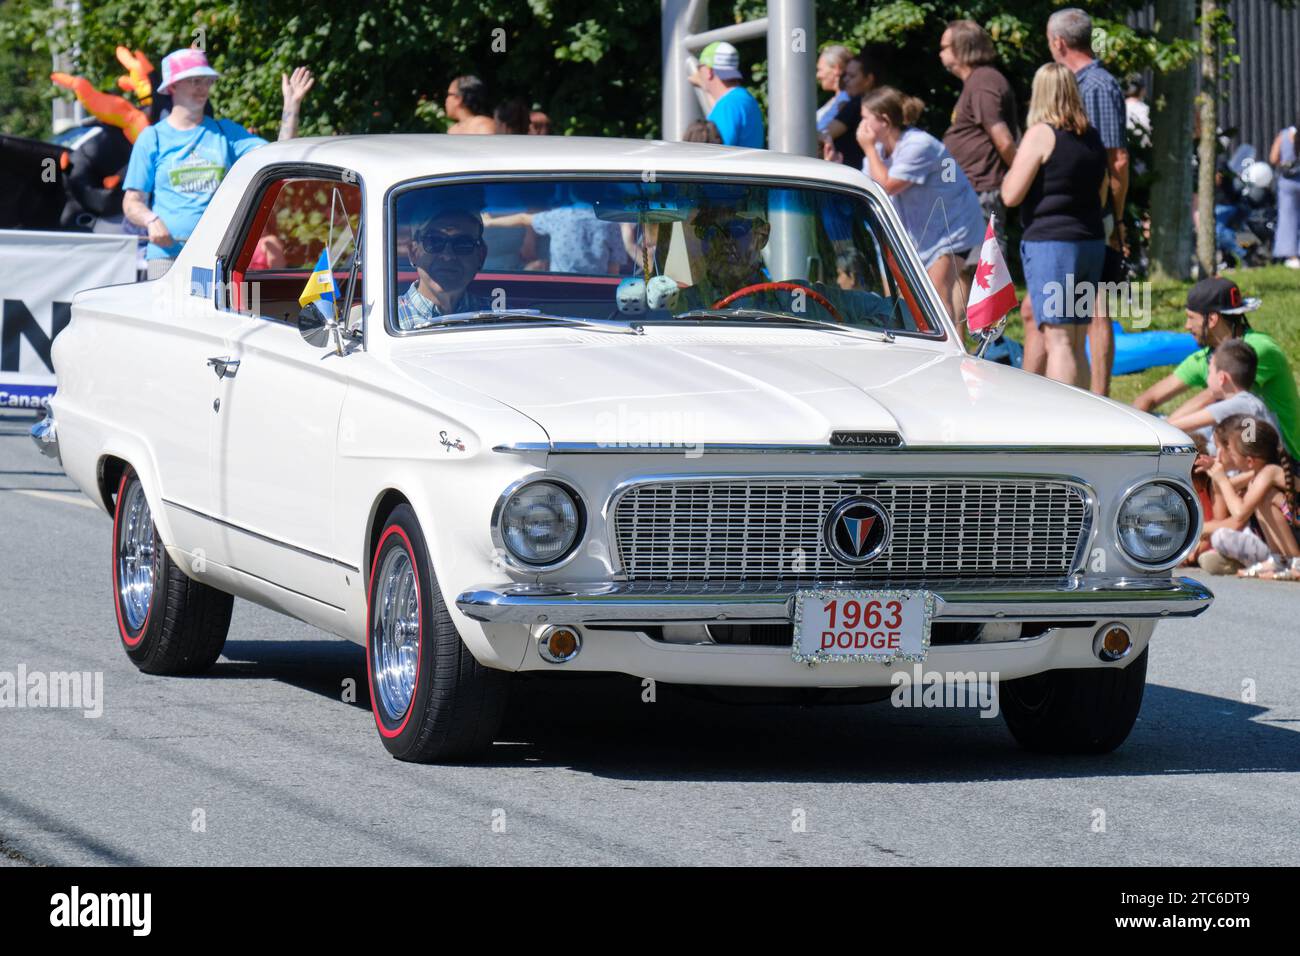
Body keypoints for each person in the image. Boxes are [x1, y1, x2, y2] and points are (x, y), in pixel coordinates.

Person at [122, 49, 314, 279]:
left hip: (215, 256)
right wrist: (150, 220)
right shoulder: (152, 137)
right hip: (166, 257)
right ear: (172, 87)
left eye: (207, 81)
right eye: (195, 81)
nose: (203, 88)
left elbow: (280, 157)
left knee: (207, 317)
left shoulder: (226, 132)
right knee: (166, 315)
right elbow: (132, 202)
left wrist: (291, 106)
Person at [1000, 63, 1107, 388]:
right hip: (1090, 243)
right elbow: (1102, 194)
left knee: (1058, 340)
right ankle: (1088, 420)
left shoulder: (1041, 134)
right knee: (1076, 341)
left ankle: (1070, 427)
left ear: (1040, 94)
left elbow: (1010, 195)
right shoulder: (1092, 138)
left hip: (1053, 246)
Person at [1042, 8, 1129, 396]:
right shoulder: (1079, 83)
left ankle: (1100, 397)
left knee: (1096, 308)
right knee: (1081, 307)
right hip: (1082, 214)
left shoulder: (1095, 86)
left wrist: (1113, 216)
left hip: (1096, 212)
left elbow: (1116, 159)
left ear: (1059, 42)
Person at [857, 87, 984, 323]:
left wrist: (866, 148)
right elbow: (867, 185)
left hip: (952, 226)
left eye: (866, 118)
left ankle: (952, 354)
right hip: (921, 231)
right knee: (908, 298)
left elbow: (886, 186)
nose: (861, 125)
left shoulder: (919, 145)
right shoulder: (878, 151)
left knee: (936, 294)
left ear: (884, 120)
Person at [1134, 277, 1300, 458]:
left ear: (1212, 319)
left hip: (1282, 460)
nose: (1186, 326)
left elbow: (1212, 398)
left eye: (1191, 318)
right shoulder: (1207, 356)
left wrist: (1163, 433)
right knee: (1155, 420)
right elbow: (1149, 398)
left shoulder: (1255, 350)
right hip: (1239, 449)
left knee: (1184, 435)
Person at [939, 20, 1019, 247]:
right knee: (965, 266)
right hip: (969, 189)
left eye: (944, 47)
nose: (940, 54)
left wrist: (1020, 180)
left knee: (986, 267)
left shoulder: (984, 81)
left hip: (981, 191)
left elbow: (1003, 140)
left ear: (962, 48)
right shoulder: (977, 81)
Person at [1196, 416, 1300, 579]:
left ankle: (1296, 563)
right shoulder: (1261, 474)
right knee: (1260, 497)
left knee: (1265, 498)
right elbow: (1231, 490)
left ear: (1250, 461)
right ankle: (1279, 559)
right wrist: (1217, 475)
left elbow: (1240, 513)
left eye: (1231, 451)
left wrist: (1221, 479)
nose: (1228, 454)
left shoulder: (1268, 473)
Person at [1168, 338, 1278, 454]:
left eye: (1210, 372)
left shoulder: (1241, 404)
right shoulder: (1249, 403)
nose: (1207, 378)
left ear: (1222, 378)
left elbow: (1177, 425)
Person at [396, 208, 491, 330]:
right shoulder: (376, 328)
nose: (448, 256)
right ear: (413, 253)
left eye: (462, 243)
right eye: (434, 241)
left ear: (481, 256)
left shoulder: (503, 321)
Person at [482, 199, 627, 275]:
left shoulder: (560, 217)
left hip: (558, 286)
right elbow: (613, 269)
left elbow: (522, 218)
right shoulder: (611, 224)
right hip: (594, 292)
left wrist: (490, 222)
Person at [688, 42, 764, 148]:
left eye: (699, 68)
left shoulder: (727, 106)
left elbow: (717, 151)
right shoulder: (745, 98)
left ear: (709, 71)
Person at [819, 50, 885, 171]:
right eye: (846, 75)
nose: (846, 80)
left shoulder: (857, 104)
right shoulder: (881, 103)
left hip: (850, 173)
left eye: (852, 76)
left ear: (868, 79)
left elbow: (824, 135)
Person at [1269, 122, 1300, 268]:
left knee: (1288, 218)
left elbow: (1273, 158)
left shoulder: (1284, 135)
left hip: (1287, 182)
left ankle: (1290, 255)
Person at [815, 45, 853, 134]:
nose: (818, 75)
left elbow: (821, 131)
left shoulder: (844, 101)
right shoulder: (837, 99)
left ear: (836, 69)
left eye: (820, 70)